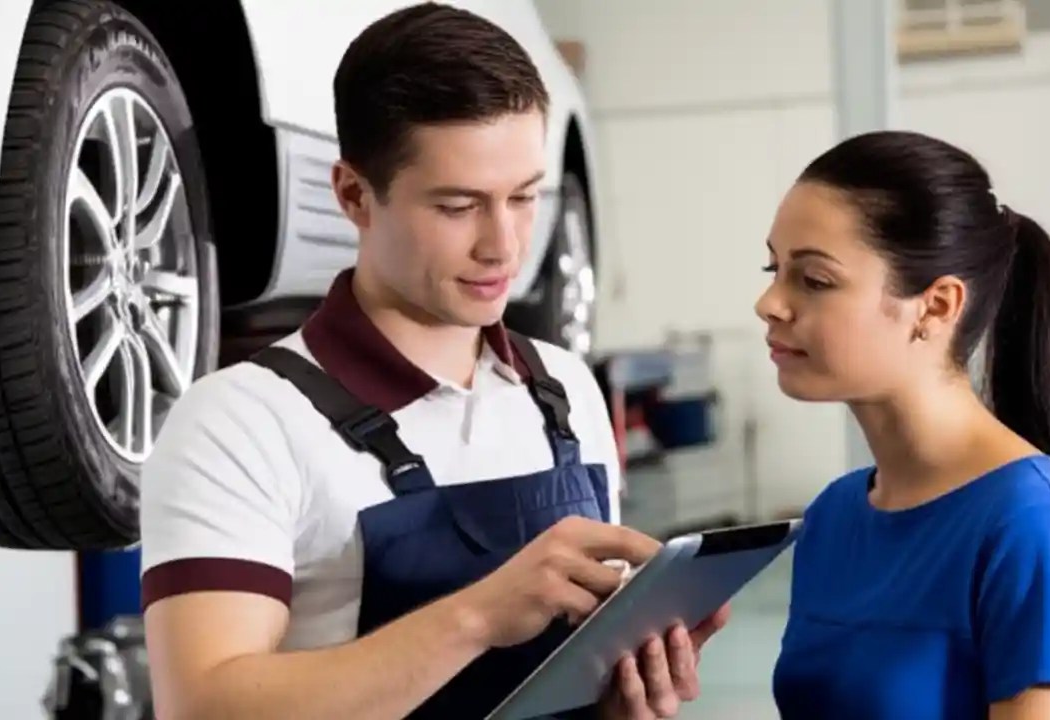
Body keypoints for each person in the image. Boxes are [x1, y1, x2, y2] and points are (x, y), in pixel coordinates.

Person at [138, 4, 727, 720]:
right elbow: (203, 707)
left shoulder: (565, 392)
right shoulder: (240, 423)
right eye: (458, 206)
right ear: (354, 194)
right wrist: (477, 617)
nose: (503, 246)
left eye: (523, 197)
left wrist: (623, 700)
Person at [756, 130, 1050, 720]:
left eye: (814, 280)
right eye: (773, 268)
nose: (769, 302)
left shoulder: (1032, 525)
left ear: (936, 306)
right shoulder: (833, 518)